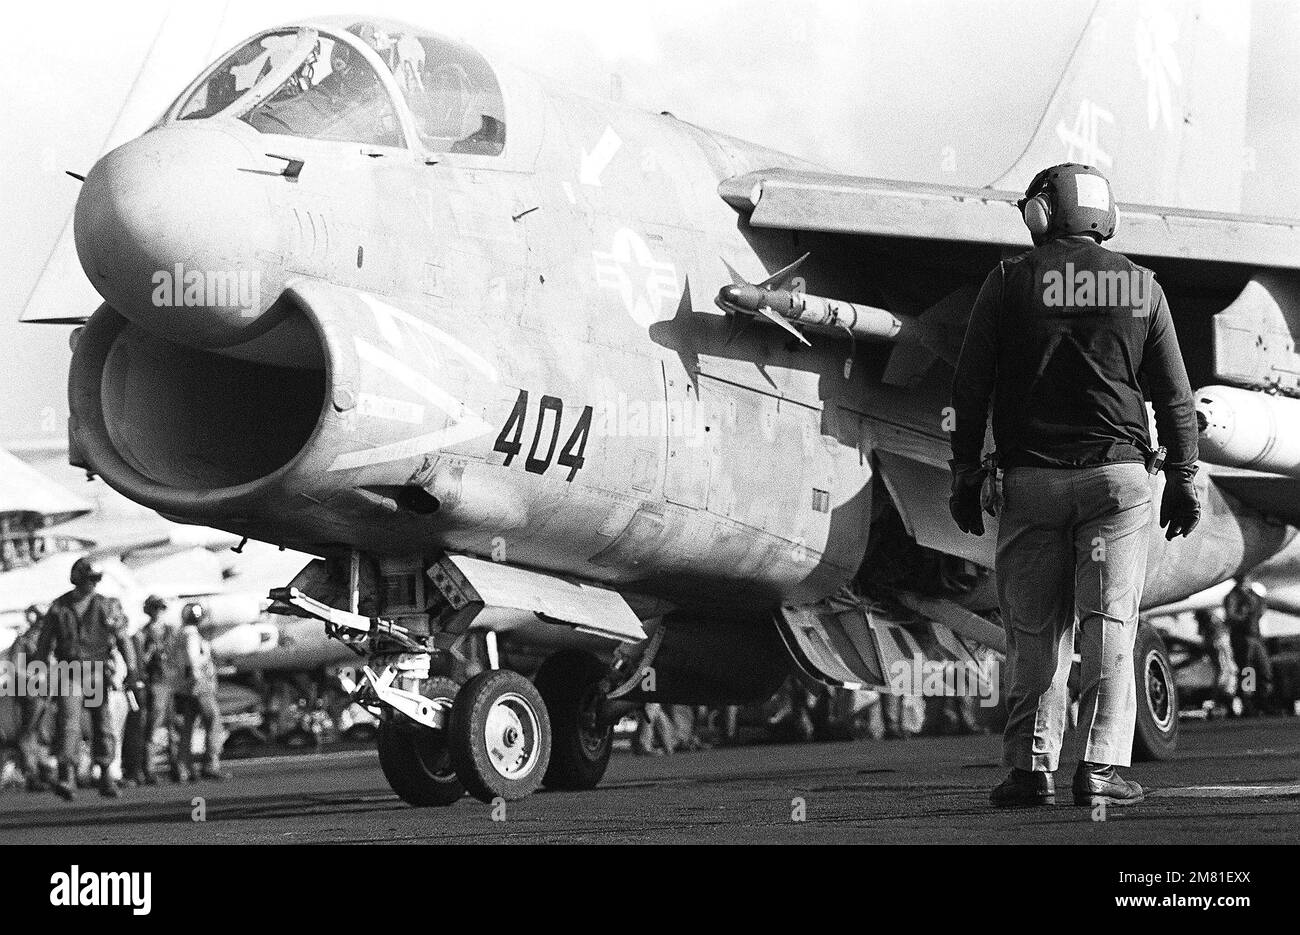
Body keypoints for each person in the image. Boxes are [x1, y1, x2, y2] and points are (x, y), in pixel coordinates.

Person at [949, 163, 1199, 807]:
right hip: (1116, 484)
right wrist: (1183, 476)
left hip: (1033, 481)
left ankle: (1032, 771)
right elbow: (1174, 396)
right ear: (1105, 218)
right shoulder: (1141, 286)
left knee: (1034, 631)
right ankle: (1100, 769)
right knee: (1109, 623)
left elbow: (970, 386)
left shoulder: (1008, 281)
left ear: (1041, 213)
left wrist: (964, 471)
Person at [36, 557, 138, 800]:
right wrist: (39, 671)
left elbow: (123, 639)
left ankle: (105, 774)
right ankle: (67, 775)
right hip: (69, 672)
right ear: (77, 579)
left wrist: (132, 670)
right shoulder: (59, 607)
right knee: (68, 722)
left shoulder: (106, 605)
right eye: (89, 578)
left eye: (95, 579)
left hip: (96, 673)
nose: (92, 584)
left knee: (102, 723)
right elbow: (44, 643)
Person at [123, 595, 179, 785]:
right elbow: (141, 661)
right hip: (155, 683)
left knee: (172, 727)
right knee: (153, 726)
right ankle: (149, 768)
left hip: (170, 681)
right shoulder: (142, 634)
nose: (158, 612)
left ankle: (176, 765)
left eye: (161, 608)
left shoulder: (170, 631)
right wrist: (151, 651)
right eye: (155, 608)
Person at [172, 604, 228, 782]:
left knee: (187, 726)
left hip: (186, 686)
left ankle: (182, 767)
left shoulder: (181, 634)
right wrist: (200, 677)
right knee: (213, 722)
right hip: (199, 686)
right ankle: (211, 764)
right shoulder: (192, 636)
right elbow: (193, 659)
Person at [1222, 580, 1274, 715]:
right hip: (1243, 638)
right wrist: (1245, 613)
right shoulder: (1233, 596)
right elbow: (1231, 617)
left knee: (1264, 669)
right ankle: (1248, 703)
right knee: (1247, 670)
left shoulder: (1251, 594)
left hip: (1255, 636)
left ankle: (1263, 700)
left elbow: (1259, 611)